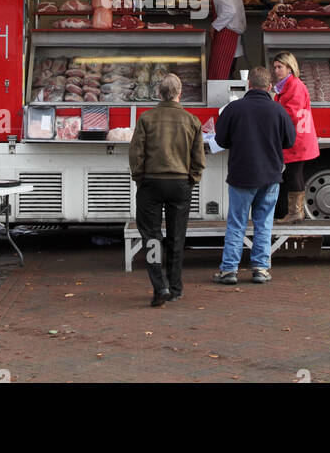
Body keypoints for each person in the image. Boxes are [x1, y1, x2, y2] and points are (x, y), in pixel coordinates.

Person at [128, 73, 207, 306]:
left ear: (159, 94)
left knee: (152, 237)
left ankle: (159, 286)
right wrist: (191, 179)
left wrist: (140, 179)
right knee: (176, 237)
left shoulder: (146, 119)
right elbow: (199, 159)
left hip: (151, 183)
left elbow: (136, 154)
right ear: (180, 93)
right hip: (180, 184)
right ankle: (176, 287)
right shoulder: (192, 121)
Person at [212, 66, 296, 285]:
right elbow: (290, 141)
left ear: (248, 85)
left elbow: (220, 140)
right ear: (269, 87)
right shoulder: (278, 110)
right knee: (264, 223)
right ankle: (260, 268)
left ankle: (229, 270)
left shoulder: (234, 108)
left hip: (241, 175)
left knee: (237, 223)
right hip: (270, 175)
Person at [270, 52, 319, 223]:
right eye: (275, 67)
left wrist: (273, 113)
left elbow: (291, 113)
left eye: (279, 67)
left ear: (289, 68)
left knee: (294, 174)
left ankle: (295, 213)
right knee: (293, 174)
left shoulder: (294, 86)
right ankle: (295, 213)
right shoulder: (288, 85)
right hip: (296, 137)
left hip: (297, 138)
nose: (276, 70)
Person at [205, 0, 246, 79]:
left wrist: (214, 26)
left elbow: (229, 10)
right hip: (232, 33)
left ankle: (223, 100)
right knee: (228, 73)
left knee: (221, 76)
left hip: (226, 32)